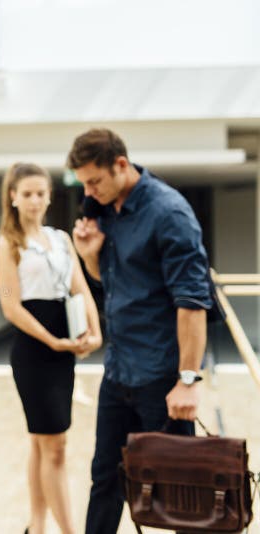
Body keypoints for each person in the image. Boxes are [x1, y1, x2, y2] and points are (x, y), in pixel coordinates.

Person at [67, 128, 212, 534]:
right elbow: (111, 282)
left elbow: (192, 302)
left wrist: (187, 379)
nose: (89, 193)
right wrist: (90, 256)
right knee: (105, 482)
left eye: (95, 181)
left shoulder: (169, 214)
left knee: (179, 492)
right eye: (84, 184)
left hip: (163, 378)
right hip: (118, 372)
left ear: (121, 165)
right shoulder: (105, 208)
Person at [0, 162, 101, 534]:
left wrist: (94, 331)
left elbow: (80, 288)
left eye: (41, 193)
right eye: (27, 194)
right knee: (54, 446)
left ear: (49, 196)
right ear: (13, 197)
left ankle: (37, 525)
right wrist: (54, 341)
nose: (35, 200)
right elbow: (10, 306)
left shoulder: (60, 239)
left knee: (43, 443)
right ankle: (70, 531)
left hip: (64, 349)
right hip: (34, 351)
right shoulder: (8, 242)